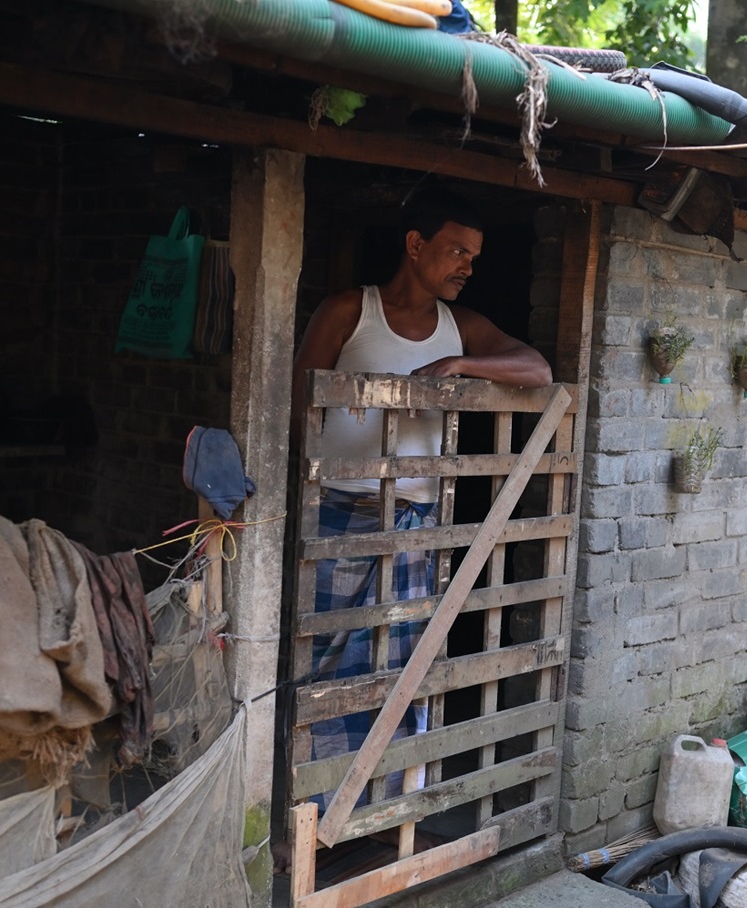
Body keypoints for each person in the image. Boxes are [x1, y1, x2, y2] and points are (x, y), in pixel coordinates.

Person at [281, 189, 549, 865]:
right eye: (457, 250)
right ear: (414, 245)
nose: (466, 266)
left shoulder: (461, 327)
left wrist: (459, 367)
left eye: (474, 256)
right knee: (324, 664)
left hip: (417, 522)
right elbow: (294, 400)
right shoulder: (351, 311)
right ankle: (302, 819)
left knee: (402, 665)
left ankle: (389, 815)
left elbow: (538, 371)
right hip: (340, 513)